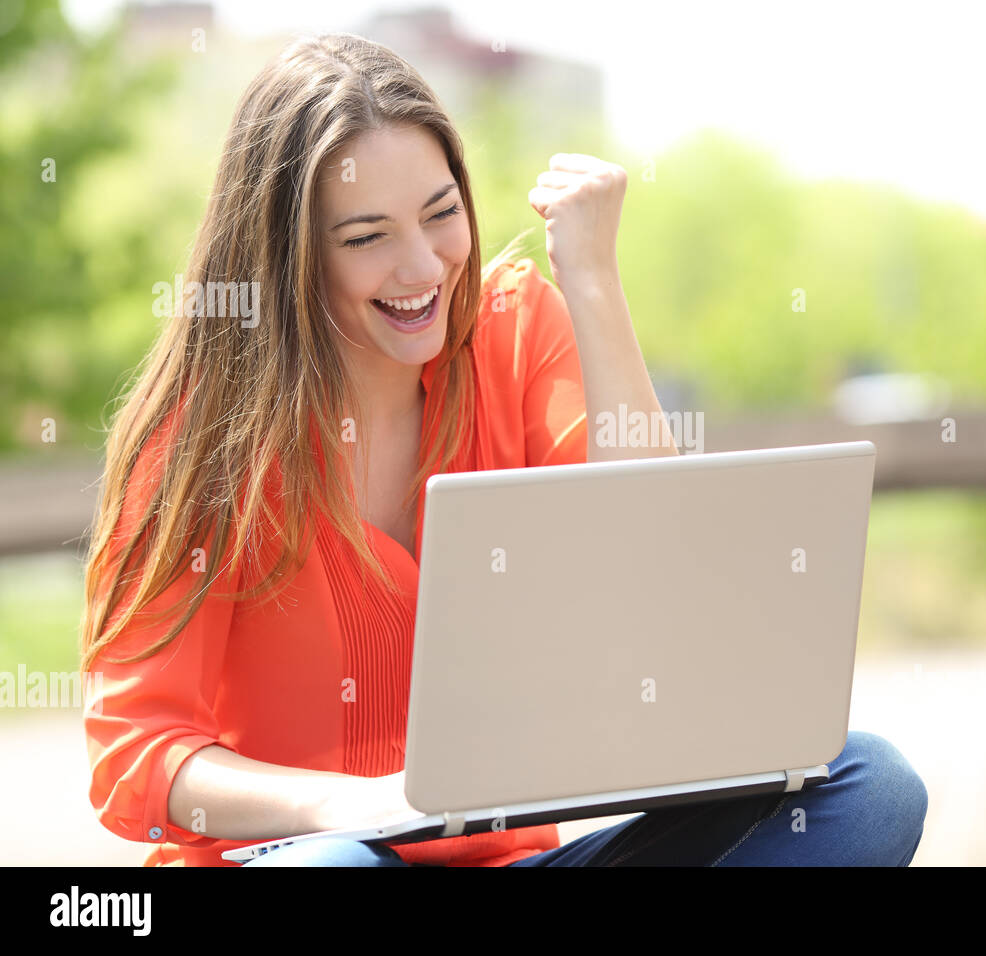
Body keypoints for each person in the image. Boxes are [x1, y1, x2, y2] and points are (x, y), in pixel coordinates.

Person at [80, 33, 927, 867]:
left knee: (867, 786)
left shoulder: (514, 330)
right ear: (289, 259)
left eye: (442, 214)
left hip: (510, 863)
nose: (424, 268)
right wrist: (355, 808)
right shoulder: (199, 440)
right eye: (367, 236)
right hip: (301, 858)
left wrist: (592, 277)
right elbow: (135, 754)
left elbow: (661, 583)